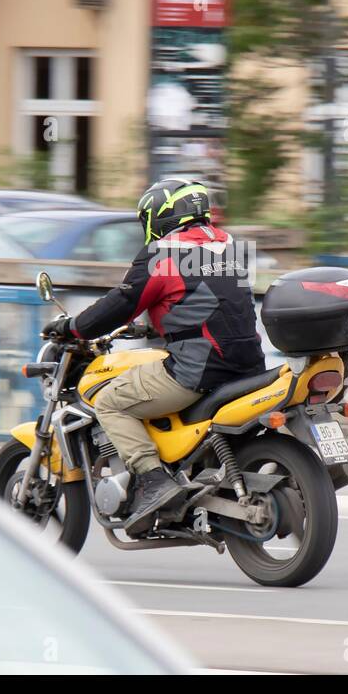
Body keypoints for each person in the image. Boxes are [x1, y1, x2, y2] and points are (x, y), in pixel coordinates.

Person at [42, 178, 265, 529]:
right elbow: (210, 303)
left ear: (159, 216)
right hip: (249, 367)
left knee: (109, 401)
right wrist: (160, 325)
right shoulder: (229, 244)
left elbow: (120, 304)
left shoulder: (163, 253)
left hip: (200, 372)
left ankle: (153, 479)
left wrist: (72, 327)